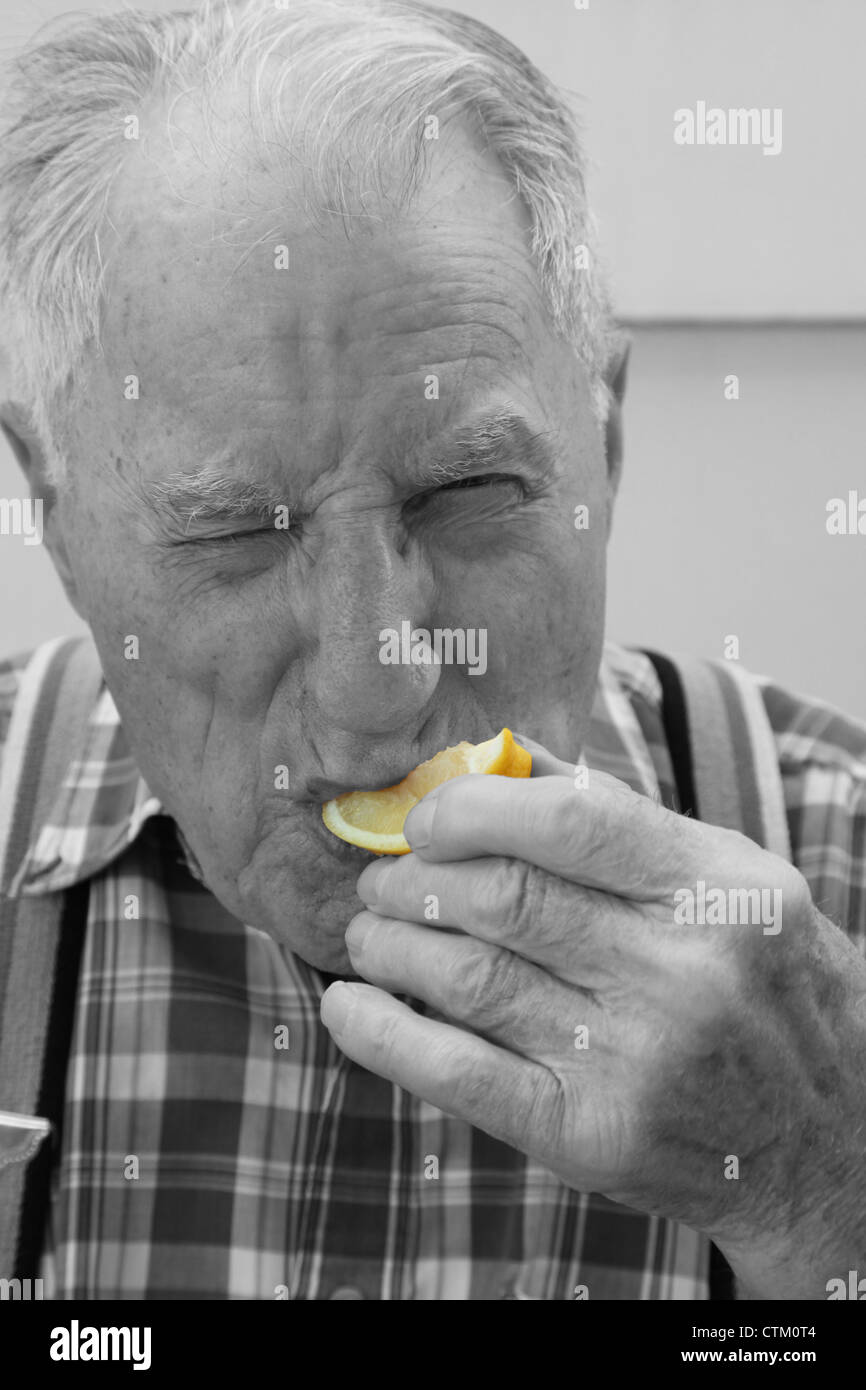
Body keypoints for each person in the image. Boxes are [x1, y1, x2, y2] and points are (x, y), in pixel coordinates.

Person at [0, 0, 863, 1301]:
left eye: (465, 491)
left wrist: (822, 1185)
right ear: (55, 517)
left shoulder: (837, 863)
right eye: (237, 531)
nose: (374, 688)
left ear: (605, 444)